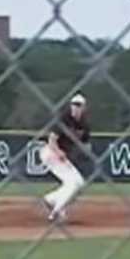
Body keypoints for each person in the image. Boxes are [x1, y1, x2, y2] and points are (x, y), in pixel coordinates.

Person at [41, 93, 92, 222]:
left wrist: (83, 153)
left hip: (62, 157)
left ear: (84, 108)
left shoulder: (84, 125)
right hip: (51, 153)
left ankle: (51, 199)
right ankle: (56, 212)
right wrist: (58, 152)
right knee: (73, 183)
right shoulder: (64, 119)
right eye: (74, 104)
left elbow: (85, 144)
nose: (76, 107)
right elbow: (52, 140)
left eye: (79, 105)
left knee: (79, 184)